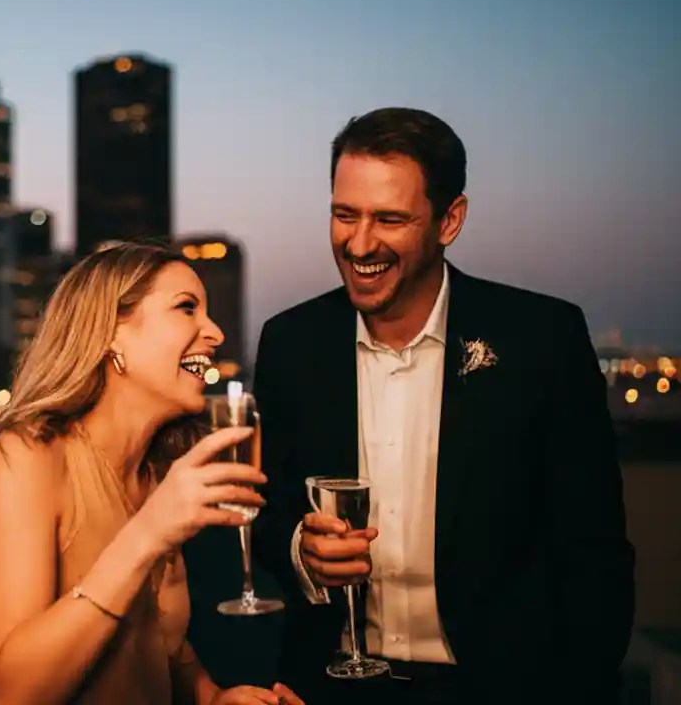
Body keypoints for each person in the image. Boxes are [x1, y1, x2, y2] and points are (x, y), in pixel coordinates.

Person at [251, 107, 636, 704]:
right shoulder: (291, 342)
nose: (359, 243)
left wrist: (581, 687)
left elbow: (594, 550)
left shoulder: (542, 338)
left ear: (449, 220)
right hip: (330, 687)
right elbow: (266, 510)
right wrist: (301, 548)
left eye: (390, 219)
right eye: (344, 214)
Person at [0, 242, 305, 704]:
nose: (214, 332)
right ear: (111, 333)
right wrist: (148, 533)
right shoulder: (27, 458)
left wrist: (212, 697)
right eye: (186, 308)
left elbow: (153, 640)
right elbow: (11, 693)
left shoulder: (154, 473)